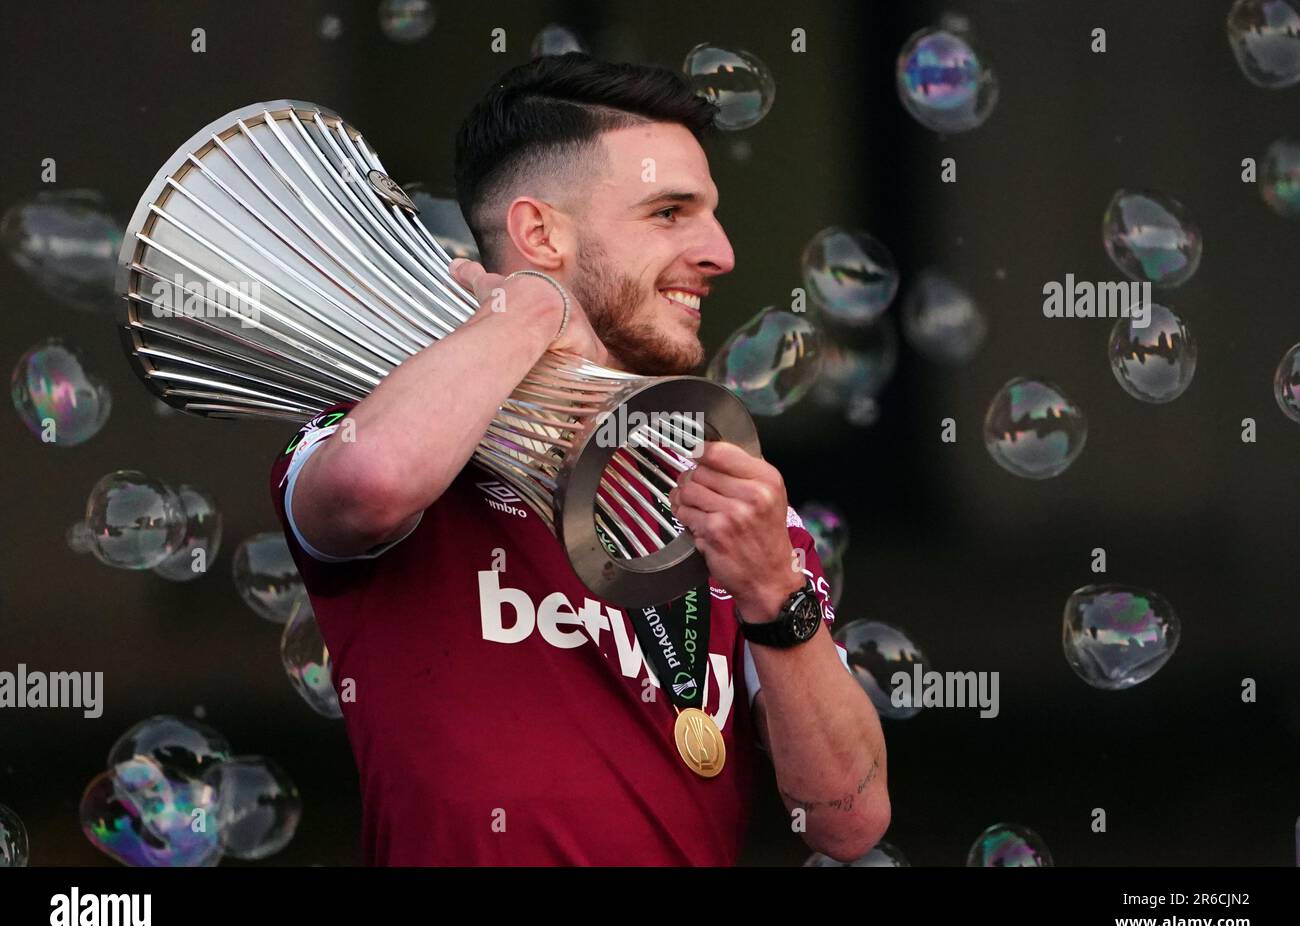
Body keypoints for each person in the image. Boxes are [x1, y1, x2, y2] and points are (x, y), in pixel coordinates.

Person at [269, 53, 889, 866]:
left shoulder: (736, 504)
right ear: (540, 234)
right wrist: (530, 310)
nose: (721, 251)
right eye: (670, 212)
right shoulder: (381, 436)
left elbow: (848, 819)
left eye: (710, 213)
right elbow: (372, 482)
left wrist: (776, 592)